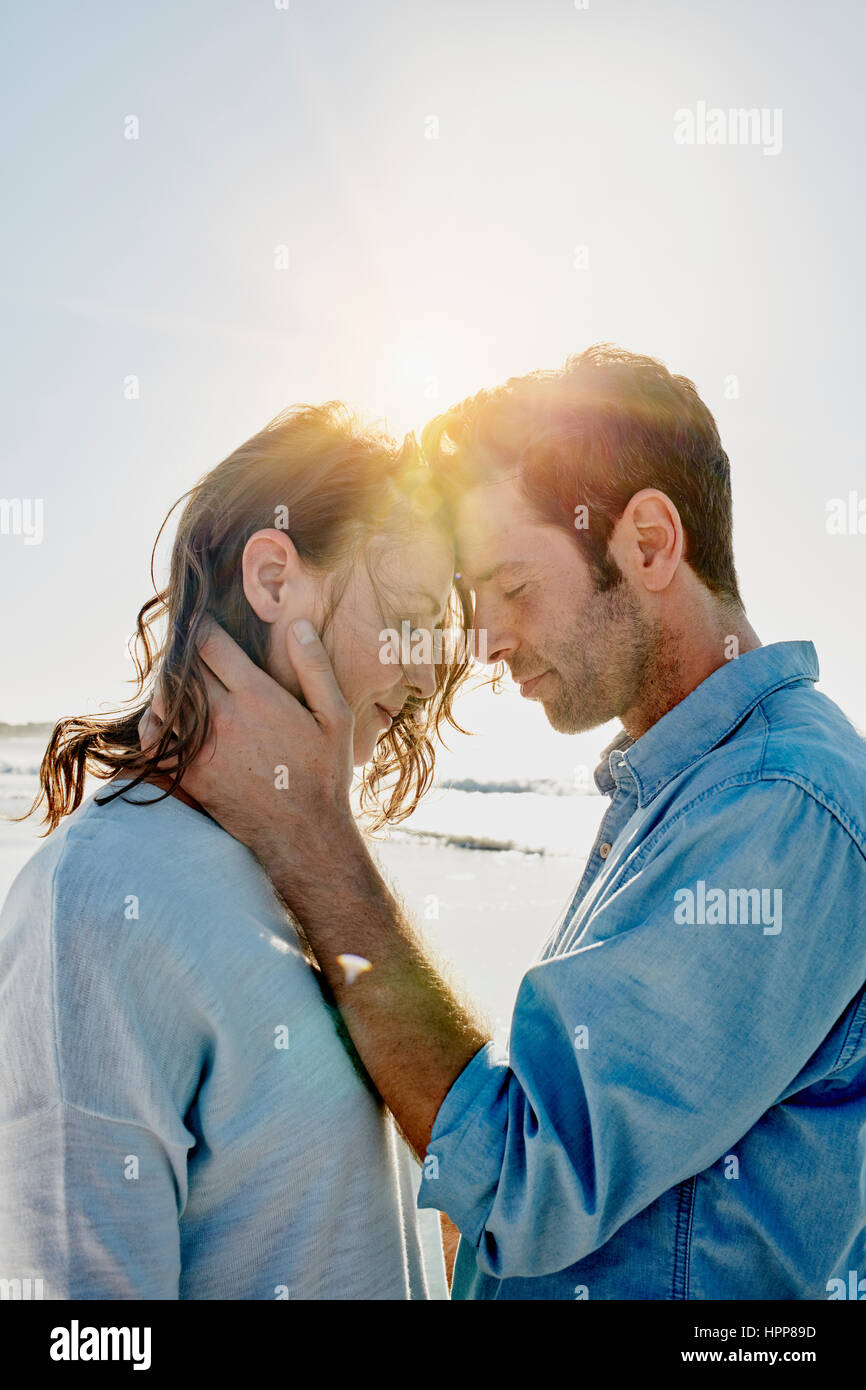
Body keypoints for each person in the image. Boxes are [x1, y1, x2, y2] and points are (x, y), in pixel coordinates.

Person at [146, 345, 866, 1300]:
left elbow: (529, 1175)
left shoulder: (781, 809)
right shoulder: (688, 791)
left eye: (513, 588)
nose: (482, 642)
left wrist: (311, 835)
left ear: (649, 544)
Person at [0, 401, 472, 1299]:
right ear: (271, 578)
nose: (423, 675)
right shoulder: (95, 902)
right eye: (410, 617)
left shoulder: (319, 869)